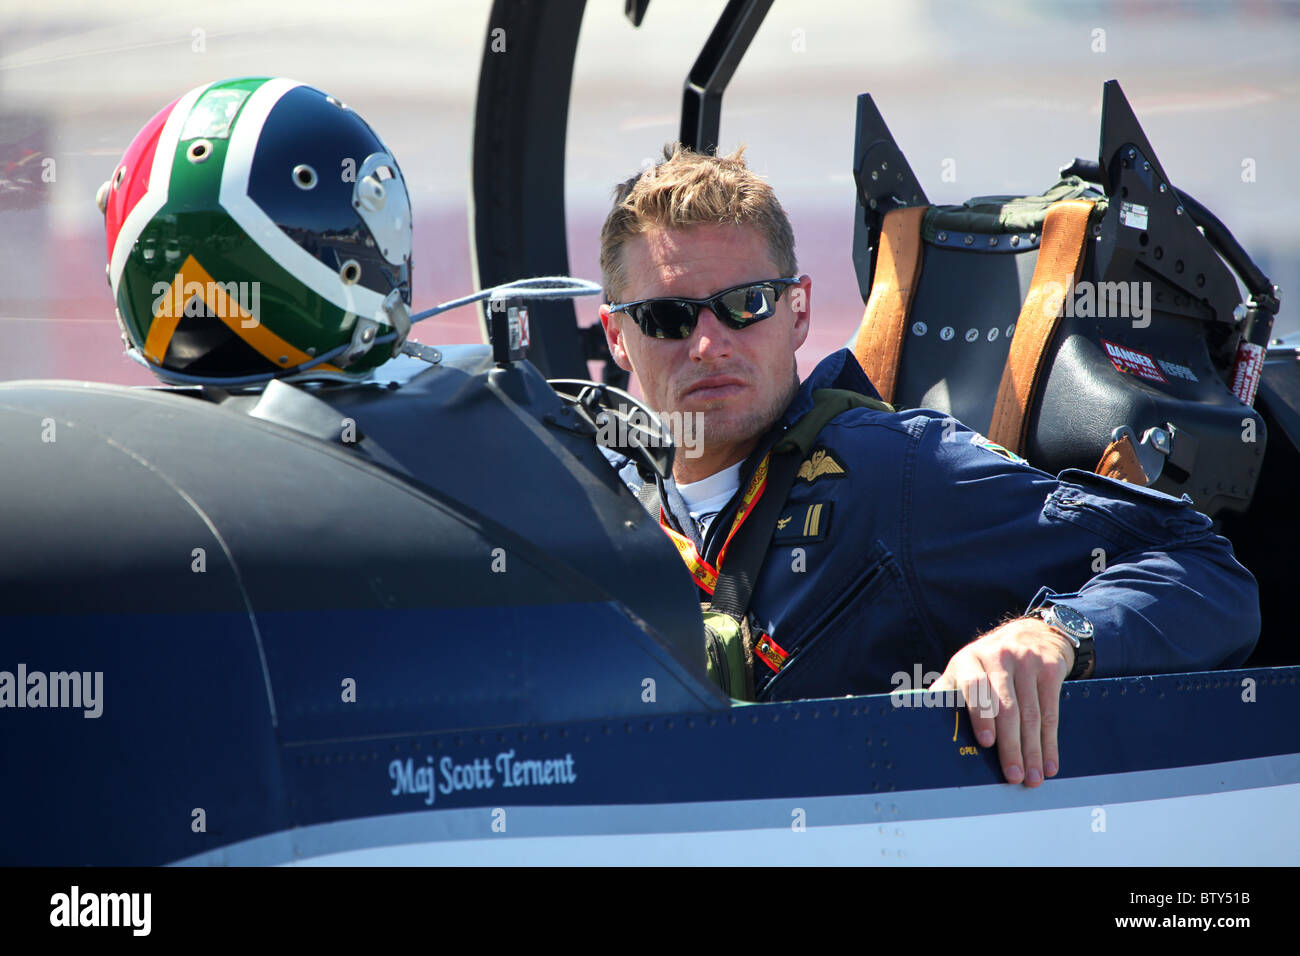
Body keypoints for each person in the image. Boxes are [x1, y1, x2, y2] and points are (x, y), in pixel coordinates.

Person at [597, 144, 1260, 788]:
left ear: (798, 310)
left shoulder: (895, 471)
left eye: (747, 305)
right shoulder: (597, 513)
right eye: (666, 317)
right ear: (615, 337)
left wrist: (1051, 635)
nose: (709, 345)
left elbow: (1204, 572)